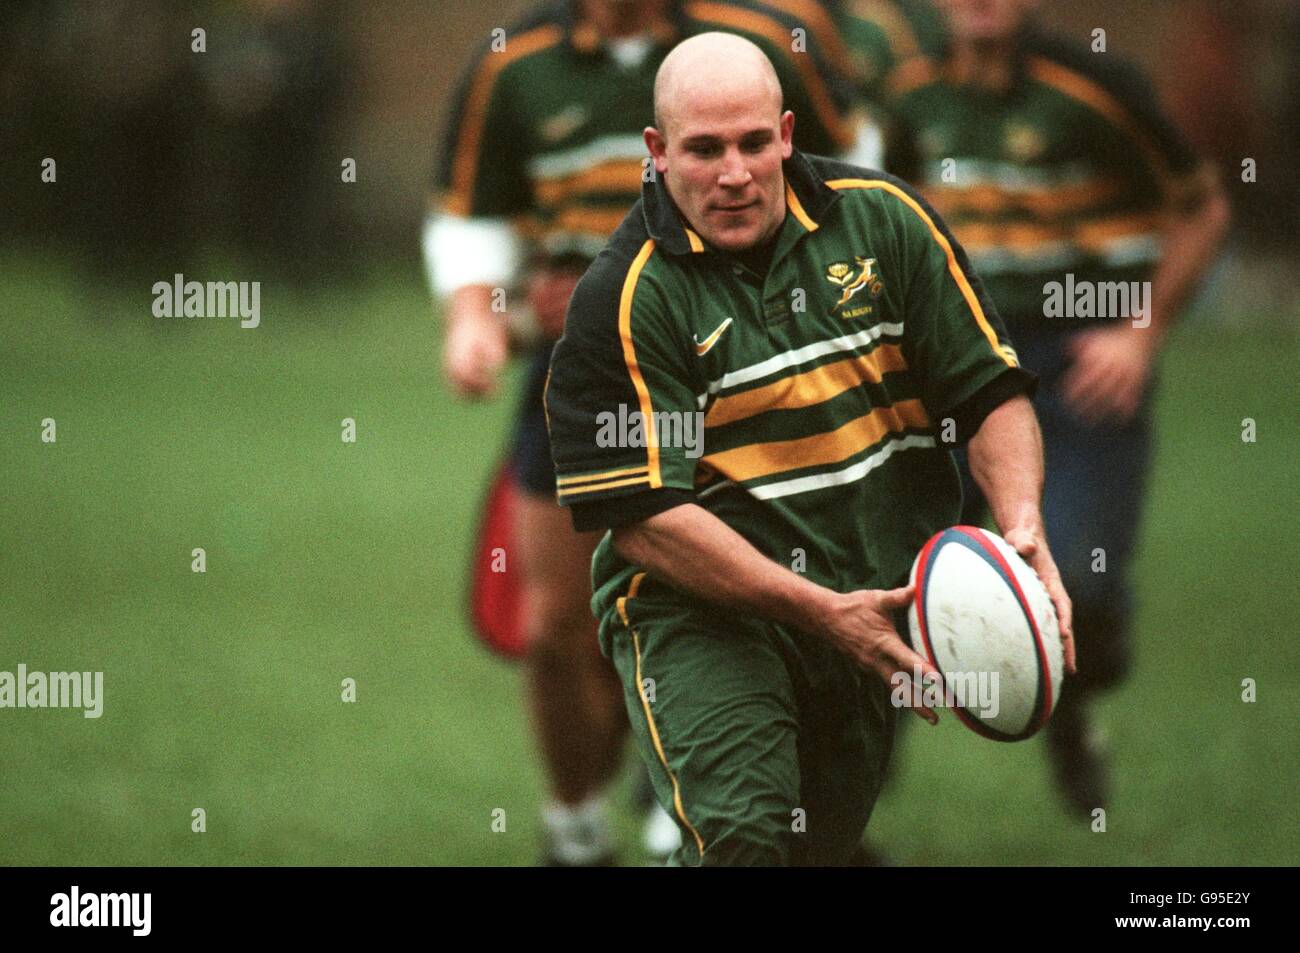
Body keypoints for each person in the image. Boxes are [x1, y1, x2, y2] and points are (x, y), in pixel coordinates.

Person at [545, 30, 1075, 865]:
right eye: (705, 149)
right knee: (747, 838)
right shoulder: (624, 296)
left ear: (788, 134)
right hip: (702, 612)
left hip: (867, 595)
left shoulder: (884, 222)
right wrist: (822, 614)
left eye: (755, 143)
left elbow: (988, 392)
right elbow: (644, 517)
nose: (735, 173)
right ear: (656, 152)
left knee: (814, 852)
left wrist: (1023, 528)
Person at [425, 0, 856, 865]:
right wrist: (480, 319)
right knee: (557, 628)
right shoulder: (515, 62)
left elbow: (855, 180)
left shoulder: (762, 42)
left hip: (748, 362)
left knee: (741, 600)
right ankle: (576, 824)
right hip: (579, 372)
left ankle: (702, 798)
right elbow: (471, 218)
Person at [876, 0, 1230, 815]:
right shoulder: (908, 94)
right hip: (952, 366)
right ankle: (866, 765)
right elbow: (886, 217)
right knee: (900, 574)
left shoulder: (1098, 84)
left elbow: (1203, 205)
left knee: (1078, 586)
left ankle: (1073, 706)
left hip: (1073, 367)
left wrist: (1140, 335)